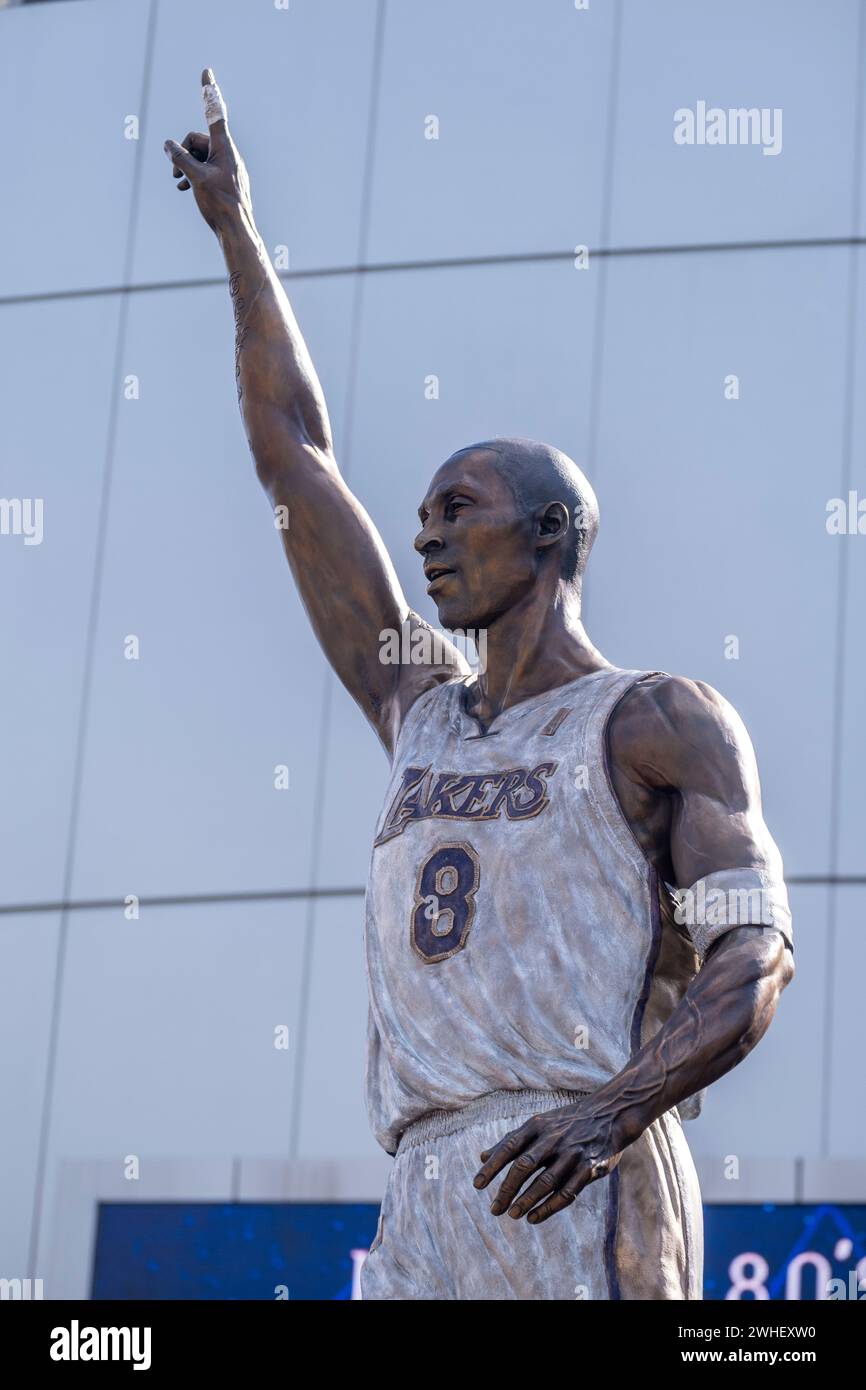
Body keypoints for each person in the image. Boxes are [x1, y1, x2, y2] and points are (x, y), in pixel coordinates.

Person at [164, 72, 795, 1301]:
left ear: (551, 532)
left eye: (459, 509)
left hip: (581, 1157)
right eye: (422, 517)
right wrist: (239, 234)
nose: (427, 537)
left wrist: (610, 1114)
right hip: (422, 1183)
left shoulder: (653, 722)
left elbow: (755, 958)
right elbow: (293, 453)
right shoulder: (418, 703)